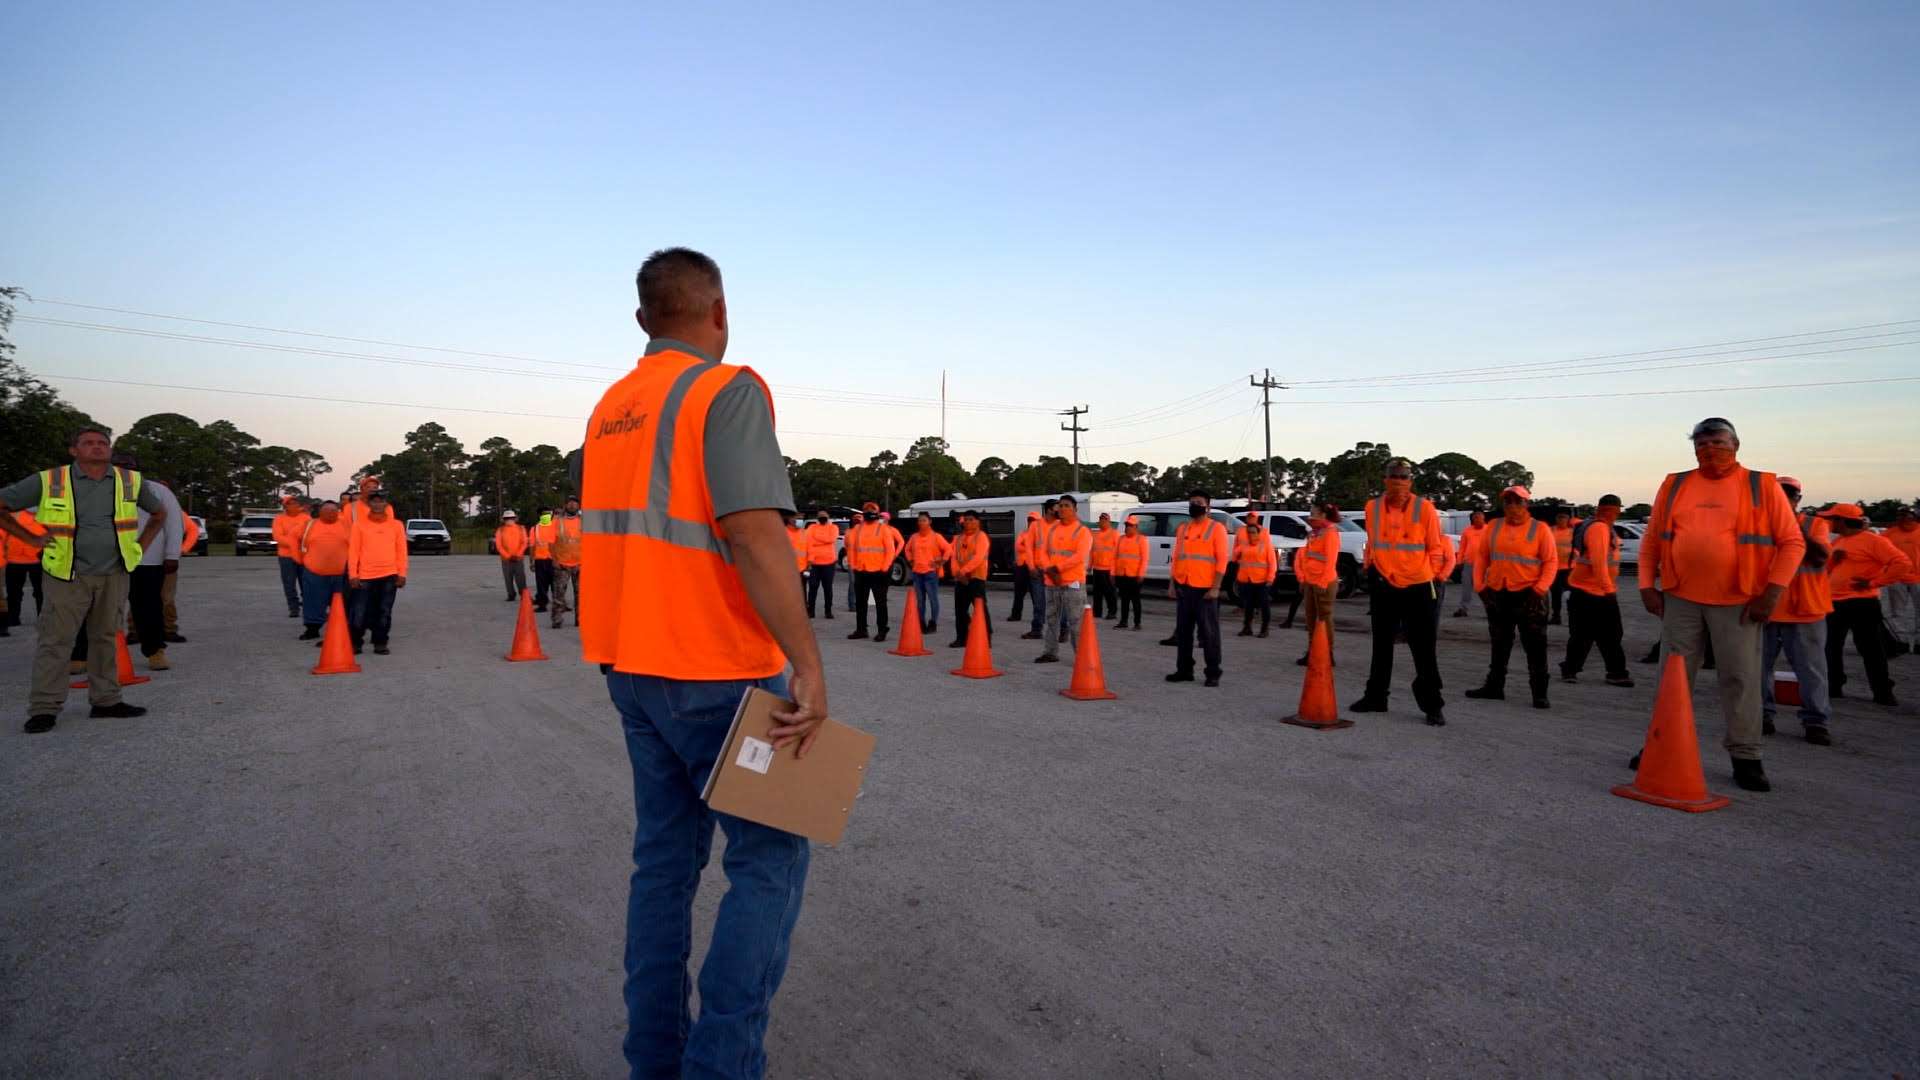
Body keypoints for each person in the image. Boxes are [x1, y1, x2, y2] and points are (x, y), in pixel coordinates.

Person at [582, 247, 827, 1079]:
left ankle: (653, 1060)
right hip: (721, 673)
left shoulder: (614, 405)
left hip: (633, 670)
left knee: (663, 865)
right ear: (719, 312)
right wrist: (809, 668)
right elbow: (755, 534)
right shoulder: (726, 390)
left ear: (645, 320)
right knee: (769, 857)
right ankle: (722, 1067)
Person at [1636, 417, 1804, 792]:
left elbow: (1792, 543)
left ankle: (1746, 756)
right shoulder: (1675, 484)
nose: (1710, 450)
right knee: (1673, 679)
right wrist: (1647, 585)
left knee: (1740, 679)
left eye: (1718, 442)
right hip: (1680, 597)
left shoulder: (1761, 486)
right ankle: (1660, 745)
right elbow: (1652, 541)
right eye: (1702, 444)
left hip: (1740, 600)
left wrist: (1771, 594)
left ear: (1736, 445)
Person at [0, 426, 166, 734]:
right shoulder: (49, 480)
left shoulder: (129, 480)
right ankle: (44, 709)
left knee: (105, 637)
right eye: (88, 443)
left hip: (114, 573)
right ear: (74, 451)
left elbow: (159, 514)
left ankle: (106, 701)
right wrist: (30, 538)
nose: (97, 447)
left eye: (103, 443)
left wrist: (139, 547)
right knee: (56, 642)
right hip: (67, 574)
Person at [1352, 459, 1452, 725]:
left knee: (1423, 648)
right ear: (1385, 480)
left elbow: (1435, 548)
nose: (1398, 481)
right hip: (1384, 583)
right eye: (1393, 476)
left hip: (1418, 586)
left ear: (1411, 481)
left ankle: (1432, 704)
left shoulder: (1425, 509)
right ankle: (1376, 697)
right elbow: (1373, 542)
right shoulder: (1372, 508)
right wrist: (1371, 568)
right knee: (1381, 644)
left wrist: (1430, 576)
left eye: (1403, 477)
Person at [1466, 486, 1558, 708]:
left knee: (1535, 646)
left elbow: (1550, 562)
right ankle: (1494, 687)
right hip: (1499, 594)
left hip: (1530, 595)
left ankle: (1539, 693)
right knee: (1499, 644)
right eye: (1508, 502)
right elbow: (1482, 558)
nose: (1513, 506)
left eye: (1518, 501)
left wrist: (1540, 590)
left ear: (1526, 504)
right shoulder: (1494, 527)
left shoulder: (1540, 529)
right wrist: (1481, 587)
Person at [1761, 478, 1833, 743]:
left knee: (1811, 670)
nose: (1783, 500)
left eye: (1788, 496)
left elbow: (1820, 557)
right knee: (1757, 668)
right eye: (1777, 496)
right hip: (1763, 608)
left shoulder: (1816, 525)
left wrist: (1789, 527)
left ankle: (1816, 722)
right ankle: (1762, 716)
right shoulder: (1756, 525)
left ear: (1797, 499)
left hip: (1805, 610)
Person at [1821, 502, 1910, 706]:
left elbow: (1902, 563)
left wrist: (1874, 582)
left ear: (1841, 520)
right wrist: (1833, 562)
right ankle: (1834, 686)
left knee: (1871, 649)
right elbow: (1827, 571)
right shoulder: (1839, 542)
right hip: (1835, 602)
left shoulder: (1873, 540)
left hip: (1863, 603)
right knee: (1831, 648)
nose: (1828, 523)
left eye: (1831, 519)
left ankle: (1882, 692)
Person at [116, 452, 183, 671]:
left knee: (148, 608)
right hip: (106, 559)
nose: (124, 469)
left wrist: (172, 555)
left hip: (148, 560)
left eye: (130, 465)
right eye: (118, 465)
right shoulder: (94, 489)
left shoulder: (158, 490)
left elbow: (173, 523)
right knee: (96, 608)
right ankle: (83, 655)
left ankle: (155, 651)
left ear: (138, 468)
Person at [1559, 494, 1633, 688]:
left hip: (1586, 589)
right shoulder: (1599, 529)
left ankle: (1571, 668)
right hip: (1593, 590)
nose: (1617, 514)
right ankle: (1616, 673)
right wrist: (1608, 590)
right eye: (1617, 510)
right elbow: (1598, 562)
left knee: (1584, 634)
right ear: (1612, 510)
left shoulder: (1595, 526)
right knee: (1609, 633)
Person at [1165, 489, 1229, 687]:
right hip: (1184, 586)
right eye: (1192, 501)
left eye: (1199, 502)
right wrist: (1172, 584)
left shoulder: (1216, 529)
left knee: (1209, 633)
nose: (1194, 505)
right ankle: (1184, 670)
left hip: (1205, 590)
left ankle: (1213, 672)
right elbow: (1177, 559)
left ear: (1207, 506)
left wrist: (1216, 587)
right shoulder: (1183, 529)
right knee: (1183, 633)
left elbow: (1221, 560)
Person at [347, 490, 408, 655]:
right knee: (359, 611)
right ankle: (355, 642)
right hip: (364, 576)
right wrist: (353, 574)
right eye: (374, 501)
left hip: (389, 575)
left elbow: (401, 551)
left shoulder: (397, 525)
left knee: (384, 611)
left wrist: (402, 573)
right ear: (369, 504)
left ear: (386, 504)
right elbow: (353, 551)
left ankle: (380, 642)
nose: (377, 504)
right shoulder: (359, 524)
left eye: (380, 501)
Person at [1035, 493, 1093, 665]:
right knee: (1051, 618)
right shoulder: (1052, 529)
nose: (1062, 508)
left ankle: (1082, 657)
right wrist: (1049, 570)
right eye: (1060, 505)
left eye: (1067, 505)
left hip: (1072, 583)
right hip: (1052, 582)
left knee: (1076, 621)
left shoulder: (1082, 531)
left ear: (1075, 509)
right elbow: (1043, 552)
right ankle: (1050, 652)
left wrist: (1057, 569)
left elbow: (1080, 556)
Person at [1292, 503, 1343, 666]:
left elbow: (1330, 561)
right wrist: (1304, 579)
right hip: (1310, 581)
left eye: (1313, 512)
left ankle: (1328, 653)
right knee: (1310, 619)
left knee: (1324, 619)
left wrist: (1322, 582)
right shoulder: (1314, 533)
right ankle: (1313, 652)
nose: (1310, 515)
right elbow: (1307, 557)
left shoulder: (1330, 533)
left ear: (1322, 515)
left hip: (1324, 583)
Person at [845, 501, 902, 643]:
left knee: (880, 603)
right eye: (867, 509)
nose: (870, 511)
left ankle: (882, 630)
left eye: (872, 509)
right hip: (861, 571)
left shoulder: (883, 529)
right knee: (861, 603)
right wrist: (853, 565)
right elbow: (851, 549)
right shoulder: (857, 529)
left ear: (877, 512)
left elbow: (890, 550)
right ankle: (861, 629)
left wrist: (885, 567)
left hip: (879, 572)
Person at [297, 500, 352, 640]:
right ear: (320, 512)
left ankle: (341, 629)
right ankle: (312, 629)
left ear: (338, 512)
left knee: (342, 604)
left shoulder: (347, 525)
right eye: (327, 510)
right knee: (312, 602)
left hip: (341, 574)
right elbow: (294, 541)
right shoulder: (309, 525)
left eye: (334, 511)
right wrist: (301, 561)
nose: (330, 513)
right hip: (314, 573)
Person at [948, 510, 992, 647]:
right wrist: (958, 573)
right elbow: (954, 557)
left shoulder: (981, 537)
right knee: (960, 610)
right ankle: (962, 638)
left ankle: (986, 637)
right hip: (961, 579)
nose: (968, 522)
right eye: (966, 520)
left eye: (971, 519)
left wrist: (964, 572)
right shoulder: (959, 538)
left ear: (978, 521)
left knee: (980, 609)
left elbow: (978, 558)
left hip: (976, 578)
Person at [903, 513, 951, 634]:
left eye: (924, 520)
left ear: (930, 521)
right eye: (919, 521)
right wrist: (911, 560)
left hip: (931, 573)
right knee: (920, 600)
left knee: (933, 599)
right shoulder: (914, 537)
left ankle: (933, 622)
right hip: (917, 573)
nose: (921, 523)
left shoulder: (936, 537)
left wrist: (942, 561)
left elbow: (948, 549)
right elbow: (907, 549)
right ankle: (921, 622)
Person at [1230, 514, 1276, 638]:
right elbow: (1234, 558)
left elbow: (1272, 563)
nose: (1251, 535)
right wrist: (1238, 550)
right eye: (1249, 533)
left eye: (1253, 532)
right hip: (1246, 579)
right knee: (1248, 605)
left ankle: (1264, 629)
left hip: (1262, 581)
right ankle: (1247, 627)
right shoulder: (1243, 545)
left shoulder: (1266, 546)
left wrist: (1270, 578)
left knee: (1264, 605)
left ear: (1259, 533)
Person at [4, 505, 47, 629]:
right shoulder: (14, 513)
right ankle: (13, 618)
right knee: (15, 593)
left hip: (37, 560)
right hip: (16, 560)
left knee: (39, 592)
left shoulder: (44, 514)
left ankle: (40, 618)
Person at [1884, 506, 1920, 653]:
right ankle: (1901, 642)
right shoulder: (1888, 534)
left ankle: (1919, 643)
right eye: (1900, 515)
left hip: (1918, 578)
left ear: (1914, 516)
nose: (1903, 518)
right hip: (1896, 578)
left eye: (1906, 515)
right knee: (1897, 612)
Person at [1019, 500, 1055, 639]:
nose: (1059, 510)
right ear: (1049, 510)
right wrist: (1031, 567)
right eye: (1056, 508)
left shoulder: (1059, 525)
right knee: (1039, 603)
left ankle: (1063, 629)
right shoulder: (1036, 526)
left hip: (1053, 571)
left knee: (1058, 602)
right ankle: (1036, 629)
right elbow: (1028, 548)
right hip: (1038, 571)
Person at [162, 509, 199, 643]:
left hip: (166, 561)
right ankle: (135, 631)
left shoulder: (173, 510)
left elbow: (193, 530)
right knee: (139, 597)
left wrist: (182, 550)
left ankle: (169, 630)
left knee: (167, 598)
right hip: (142, 560)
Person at [549, 495, 584, 629]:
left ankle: (580, 620)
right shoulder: (557, 521)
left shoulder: (584, 522)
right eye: (569, 503)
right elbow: (551, 542)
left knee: (581, 595)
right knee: (559, 595)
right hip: (562, 564)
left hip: (580, 563)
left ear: (579, 506)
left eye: (575, 503)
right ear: (565, 505)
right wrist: (555, 559)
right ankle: (557, 620)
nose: (572, 505)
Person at [271, 494, 309, 619]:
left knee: (307, 583)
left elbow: (308, 534)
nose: (294, 505)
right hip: (286, 557)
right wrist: (294, 543)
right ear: (285, 506)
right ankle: (293, 608)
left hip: (304, 556)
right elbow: (278, 537)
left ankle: (309, 607)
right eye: (290, 503)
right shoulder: (279, 519)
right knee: (289, 583)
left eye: (296, 503)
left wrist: (296, 540)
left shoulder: (306, 517)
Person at [1112, 514, 1148, 630]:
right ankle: (1123, 621)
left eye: (1130, 526)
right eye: (1127, 525)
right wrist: (1112, 573)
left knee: (1135, 600)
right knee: (1124, 599)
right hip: (1121, 574)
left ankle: (1137, 623)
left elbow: (1144, 559)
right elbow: (1114, 557)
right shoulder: (1121, 539)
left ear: (1136, 527)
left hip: (1134, 575)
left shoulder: (1141, 539)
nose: (1128, 527)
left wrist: (1141, 574)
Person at [1452, 510, 1488, 618]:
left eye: (1480, 517)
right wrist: (1459, 561)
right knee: (1466, 588)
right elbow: (1462, 547)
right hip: (1469, 564)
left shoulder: (1489, 530)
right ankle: (1463, 609)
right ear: (1472, 520)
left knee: (1486, 589)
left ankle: (1491, 610)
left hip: (1485, 565)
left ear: (1484, 518)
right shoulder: (1467, 531)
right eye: (1476, 518)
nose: (1478, 520)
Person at [804, 511, 839, 618]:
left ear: (828, 518)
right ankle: (811, 611)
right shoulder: (811, 527)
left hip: (829, 562)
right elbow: (807, 540)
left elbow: (831, 539)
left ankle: (828, 611)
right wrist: (823, 541)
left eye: (825, 517)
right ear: (817, 518)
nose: (823, 519)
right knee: (812, 587)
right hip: (813, 562)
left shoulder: (833, 528)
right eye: (821, 517)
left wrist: (815, 540)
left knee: (828, 588)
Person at [1009, 509, 1040, 626]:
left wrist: (1026, 546)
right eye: (1029, 520)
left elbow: (1035, 548)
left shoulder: (1040, 535)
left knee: (1036, 594)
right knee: (1018, 593)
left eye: (1033, 520)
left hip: (1034, 567)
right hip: (1021, 566)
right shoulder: (1023, 533)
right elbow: (1018, 546)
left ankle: (1039, 616)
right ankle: (1016, 615)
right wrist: (1029, 547)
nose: (1031, 522)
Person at [1089, 511, 1119, 620]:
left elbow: (1117, 553)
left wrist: (1115, 569)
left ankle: (1112, 612)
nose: (1102, 522)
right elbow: (1092, 551)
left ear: (1108, 522)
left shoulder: (1114, 534)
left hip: (1108, 569)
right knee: (1097, 593)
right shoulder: (1095, 535)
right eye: (1101, 520)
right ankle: (1097, 612)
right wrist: (1089, 565)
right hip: (1097, 568)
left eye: (1104, 520)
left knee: (1110, 592)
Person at [494, 510, 529, 601]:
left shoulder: (521, 528)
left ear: (515, 518)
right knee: (508, 578)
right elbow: (499, 545)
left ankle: (524, 595)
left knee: (521, 577)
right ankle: (511, 594)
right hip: (506, 559)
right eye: (507, 518)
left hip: (518, 558)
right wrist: (508, 556)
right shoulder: (500, 530)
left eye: (511, 518)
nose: (509, 520)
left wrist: (518, 555)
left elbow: (524, 542)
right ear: (504, 519)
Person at [1548, 509, 1575, 625]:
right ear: (1556, 518)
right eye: (1559, 517)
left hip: (1569, 569)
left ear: (1568, 519)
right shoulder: (1550, 530)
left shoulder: (1573, 532)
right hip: (1554, 569)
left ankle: (1572, 616)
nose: (1561, 519)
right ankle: (1556, 616)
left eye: (1564, 517)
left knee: (1570, 594)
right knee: (1555, 593)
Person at [529, 507, 556, 612]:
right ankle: (543, 604)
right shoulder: (535, 529)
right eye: (545, 514)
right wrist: (531, 561)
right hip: (540, 560)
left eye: (548, 513)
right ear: (540, 515)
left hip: (553, 560)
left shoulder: (555, 527)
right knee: (542, 584)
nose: (547, 516)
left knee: (555, 584)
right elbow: (532, 546)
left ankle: (557, 604)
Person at [784, 511, 809, 597]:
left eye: (802, 519)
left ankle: (803, 608)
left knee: (802, 592)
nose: (800, 521)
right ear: (790, 519)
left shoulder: (804, 532)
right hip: (788, 570)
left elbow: (808, 550)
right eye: (798, 518)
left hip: (802, 569)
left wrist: (808, 567)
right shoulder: (783, 532)